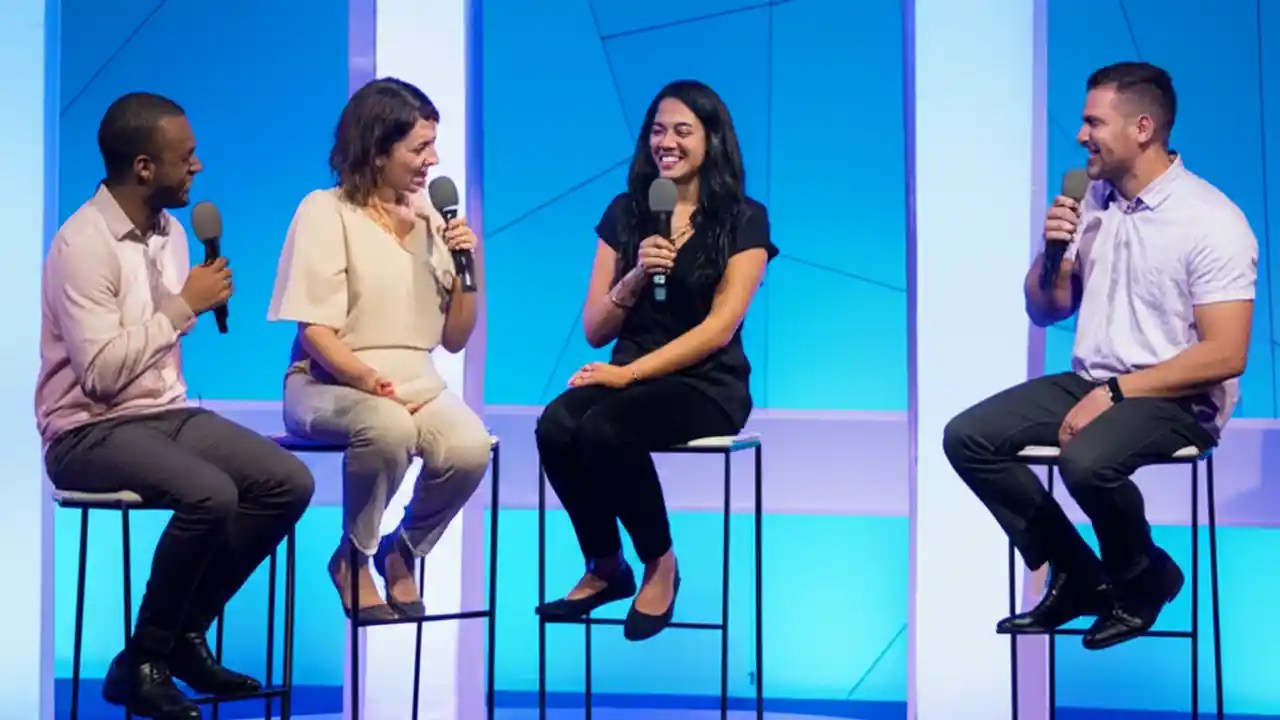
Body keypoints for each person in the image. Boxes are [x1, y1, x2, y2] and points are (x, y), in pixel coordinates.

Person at [943, 61, 1257, 650]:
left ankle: (1143, 577)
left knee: (1084, 461)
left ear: (1142, 128)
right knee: (968, 437)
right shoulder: (1092, 204)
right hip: (1093, 377)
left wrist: (1114, 394)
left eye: (1094, 122)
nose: (1081, 135)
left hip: (1176, 395)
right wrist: (1052, 250)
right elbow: (1046, 309)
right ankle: (1075, 571)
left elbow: (1226, 353)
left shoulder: (1212, 221)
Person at [37, 92, 315, 720]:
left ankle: (173, 640)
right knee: (210, 494)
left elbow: (158, 345)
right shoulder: (83, 245)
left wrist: (197, 299)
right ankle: (147, 661)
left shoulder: (172, 233)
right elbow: (102, 375)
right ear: (142, 168)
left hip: (165, 415)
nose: (198, 168)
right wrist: (183, 305)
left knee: (285, 482)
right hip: (87, 431)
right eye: (185, 158)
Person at [533, 80, 777, 641]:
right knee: (557, 424)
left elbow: (720, 328)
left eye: (683, 131)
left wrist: (630, 374)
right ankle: (605, 565)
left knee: (605, 427)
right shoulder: (626, 213)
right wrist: (637, 275)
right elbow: (595, 328)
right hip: (628, 374)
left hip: (704, 386)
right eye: (658, 130)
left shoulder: (744, 219)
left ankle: (660, 562)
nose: (667, 141)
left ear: (713, 141)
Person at [267, 77, 491, 622]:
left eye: (432, 145)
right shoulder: (326, 211)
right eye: (419, 147)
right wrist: (369, 382)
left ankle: (404, 548)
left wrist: (469, 268)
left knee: (468, 447)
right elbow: (316, 331)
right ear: (376, 149)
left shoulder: (435, 222)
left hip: (417, 383)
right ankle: (354, 558)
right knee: (388, 428)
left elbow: (455, 338)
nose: (432, 160)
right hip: (328, 381)